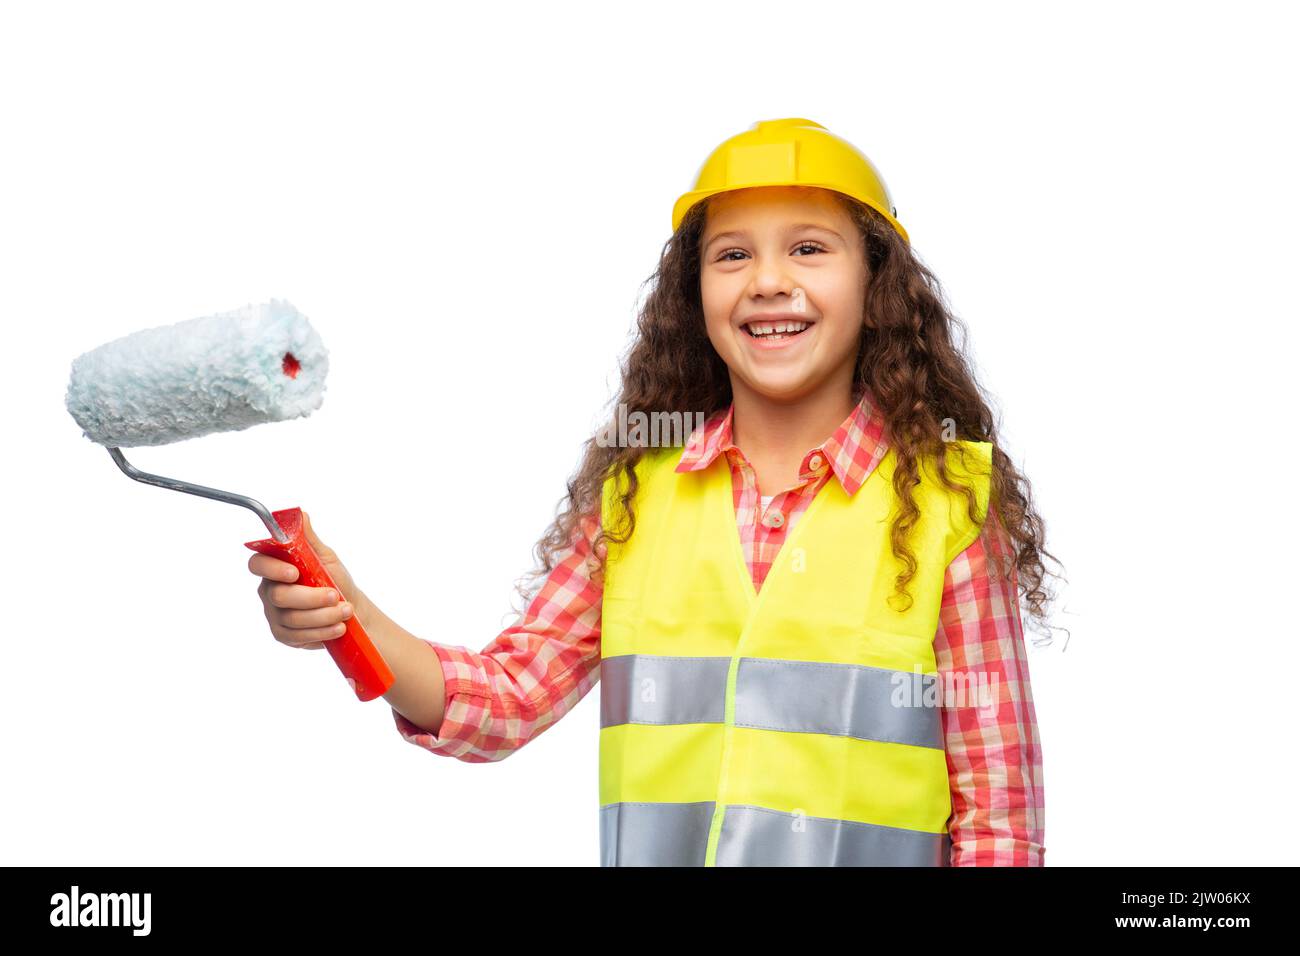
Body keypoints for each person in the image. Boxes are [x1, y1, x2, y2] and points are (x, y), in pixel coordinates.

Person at [250, 118, 1060, 866]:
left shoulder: (947, 504)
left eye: (810, 248)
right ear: (694, 294)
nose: (768, 281)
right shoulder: (635, 499)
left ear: (877, 281)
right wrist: (349, 612)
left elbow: (1000, 818)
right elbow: (505, 700)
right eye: (732, 254)